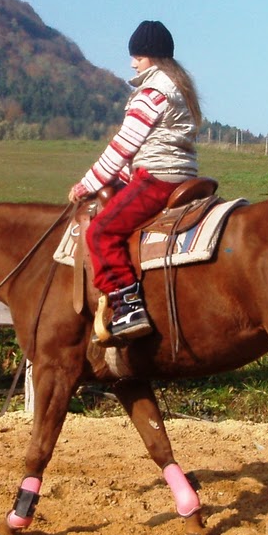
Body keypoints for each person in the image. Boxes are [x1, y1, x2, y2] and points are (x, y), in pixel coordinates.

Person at [68, 19, 203, 340]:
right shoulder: (179, 88)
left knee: (101, 231)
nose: (132, 62)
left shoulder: (152, 92)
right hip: (183, 173)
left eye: (138, 57)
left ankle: (129, 305)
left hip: (158, 178)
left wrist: (85, 185)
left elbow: (123, 147)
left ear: (152, 58)